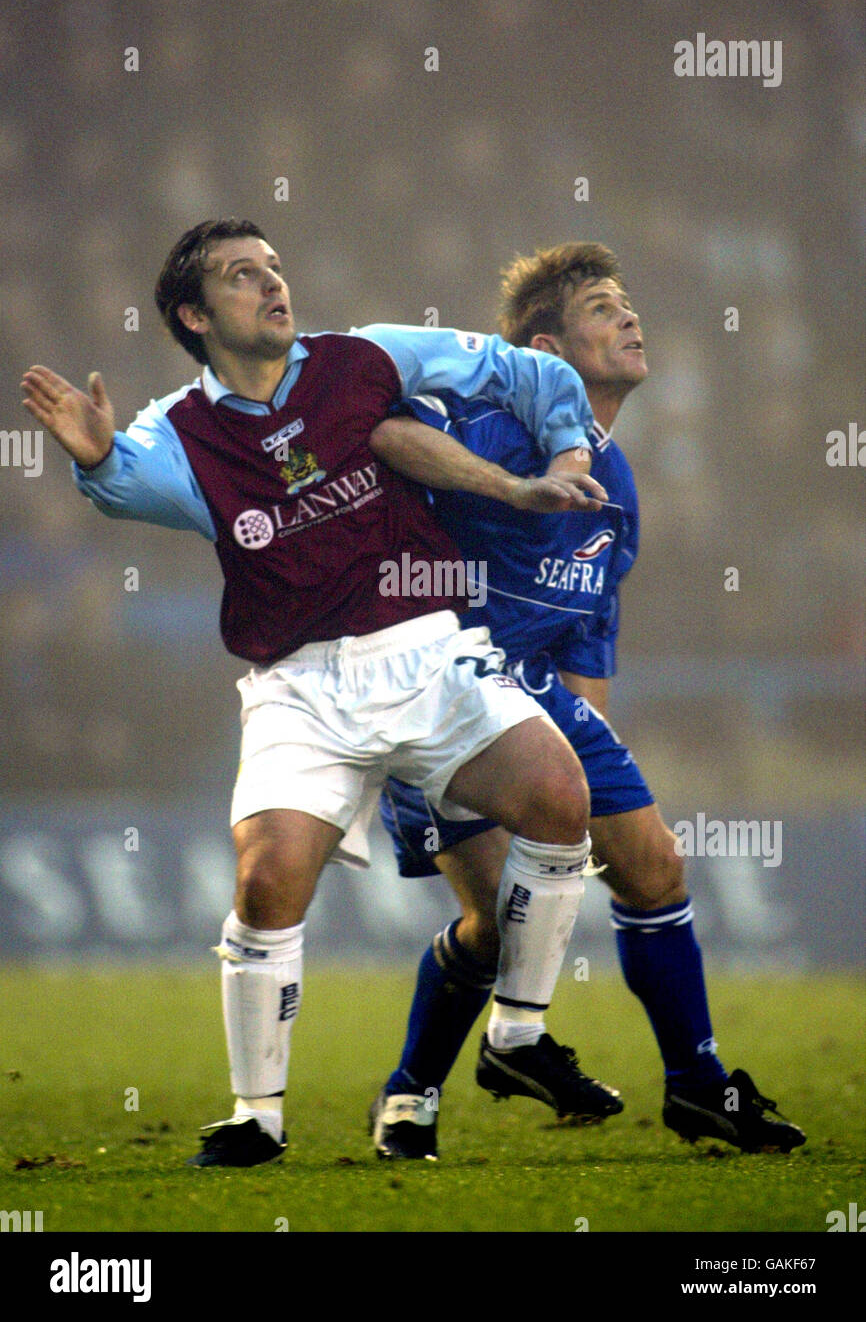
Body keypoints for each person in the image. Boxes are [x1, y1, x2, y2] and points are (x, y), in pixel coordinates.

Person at [21, 218, 626, 1170]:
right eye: (239, 275)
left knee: (559, 797)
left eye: (273, 266)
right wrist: (96, 460)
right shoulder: (179, 430)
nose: (270, 283)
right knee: (266, 884)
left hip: (426, 650)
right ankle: (256, 1118)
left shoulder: (366, 359)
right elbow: (125, 485)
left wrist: (564, 460)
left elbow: (534, 374)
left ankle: (517, 1034)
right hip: (300, 689)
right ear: (193, 313)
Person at [367, 243, 806, 1160]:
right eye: (604, 309)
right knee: (492, 931)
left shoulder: (621, 486)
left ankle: (695, 1085)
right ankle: (417, 1090)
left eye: (628, 305)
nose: (631, 320)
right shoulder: (492, 423)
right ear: (546, 347)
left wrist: (598, 766)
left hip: (541, 710)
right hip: (439, 694)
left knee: (653, 870)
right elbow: (384, 433)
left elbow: (584, 634)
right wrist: (500, 490)